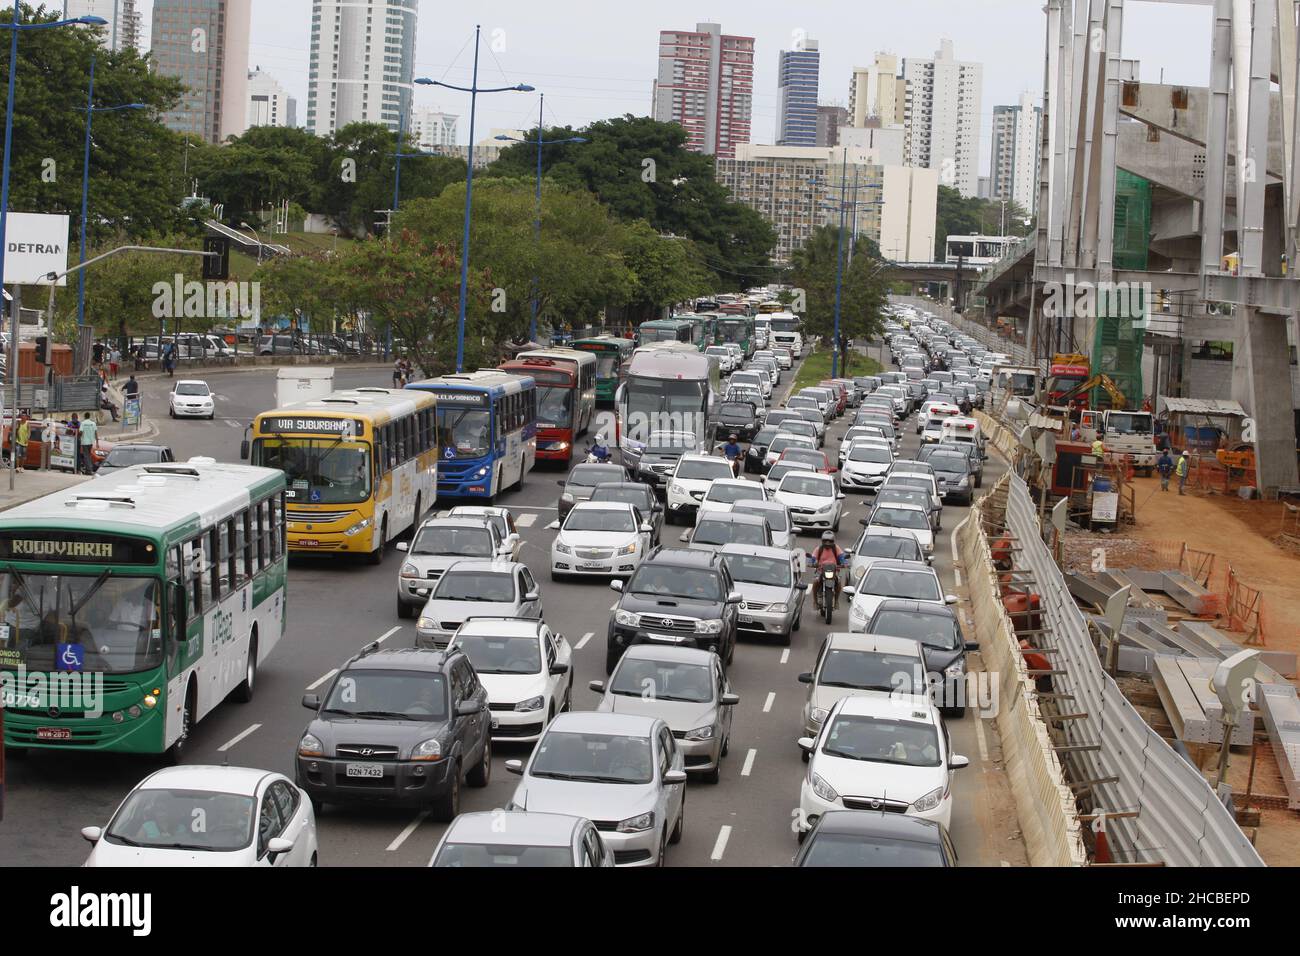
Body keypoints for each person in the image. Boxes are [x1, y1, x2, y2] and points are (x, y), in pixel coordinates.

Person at [808, 531, 849, 610]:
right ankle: (815, 601)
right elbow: (813, 558)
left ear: (833, 541)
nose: (827, 543)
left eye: (830, 541)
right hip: (820, 570)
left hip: (834, 571)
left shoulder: (836, 548)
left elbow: (842, 557)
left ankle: (836, 601)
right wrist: (812, 563)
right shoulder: (819, 549)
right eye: (825, 541)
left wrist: (844, 563)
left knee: (839, 583)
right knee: (816, 582)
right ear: (822, 541)